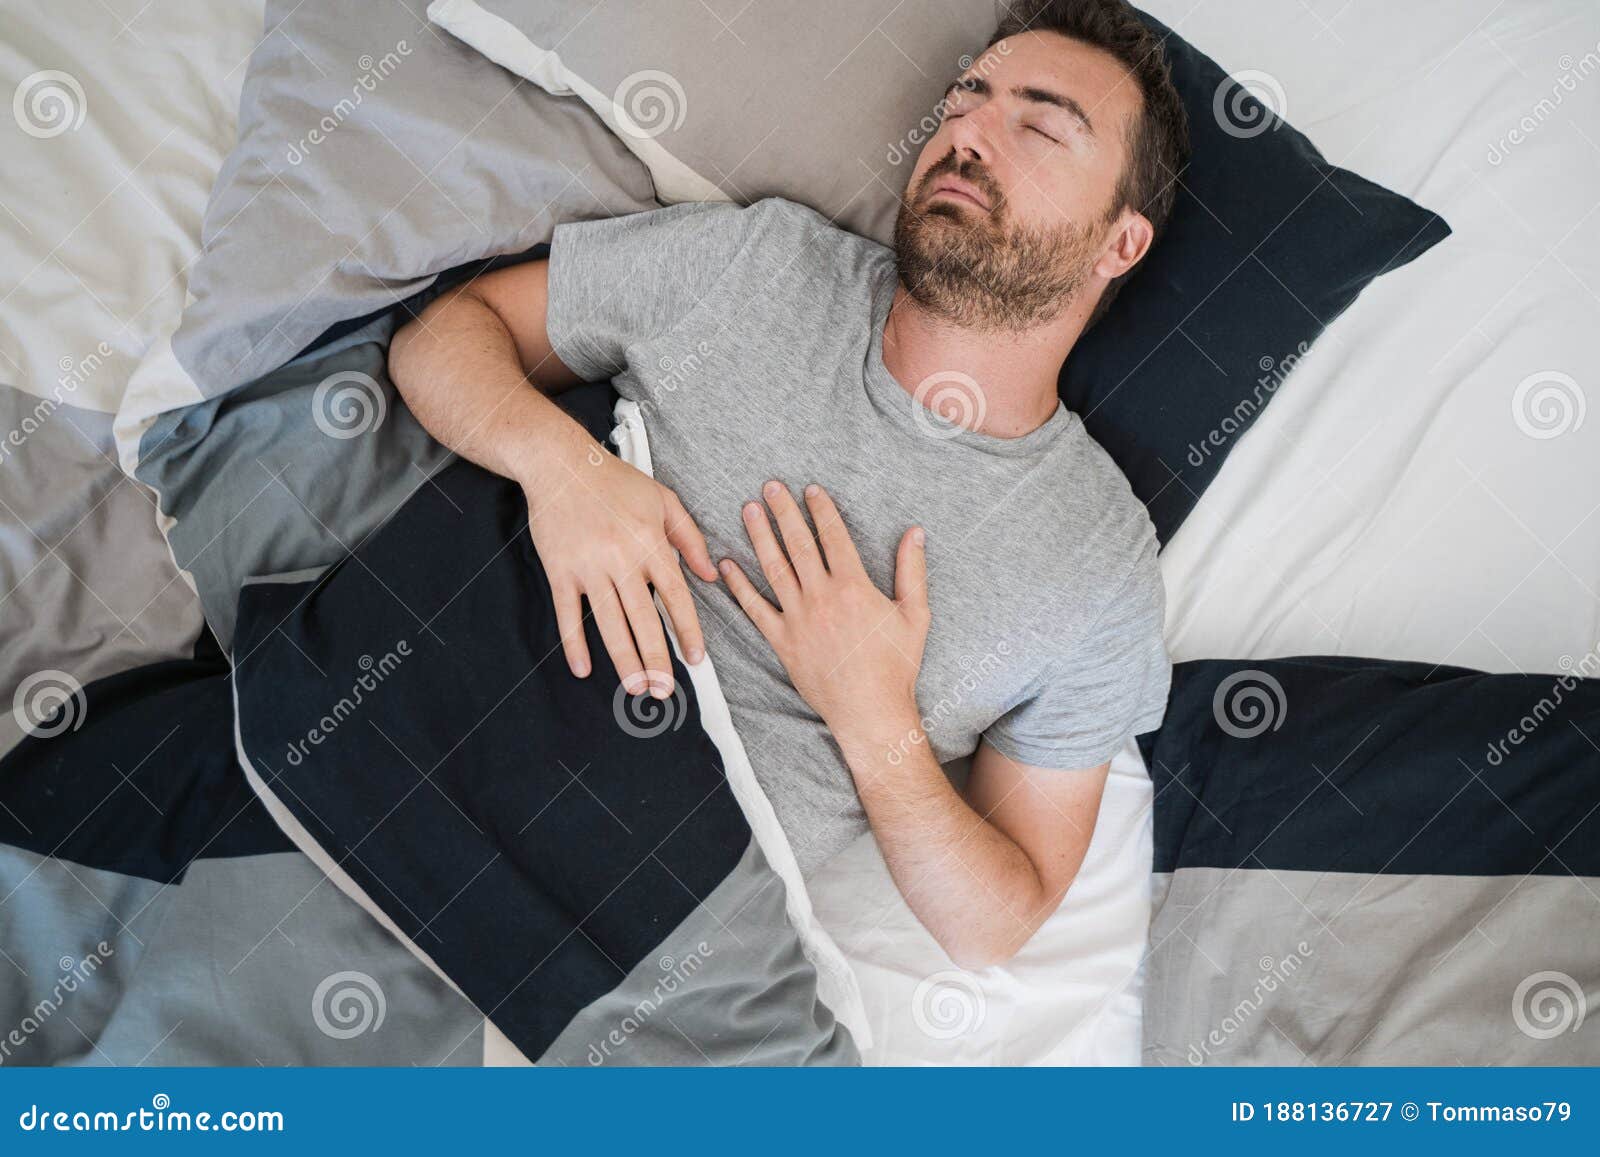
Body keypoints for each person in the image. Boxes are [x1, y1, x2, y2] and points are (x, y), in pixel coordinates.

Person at [390, 0, 1188, 968]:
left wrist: (874, 717)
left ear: (1120, 244)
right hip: (430, 742)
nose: (969, 133)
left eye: (1038, 125)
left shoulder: (1098, 564)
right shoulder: (758, 263)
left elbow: (995, 920)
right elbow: (442, 340)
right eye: (963, 99)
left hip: (636, 942)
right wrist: (564, 470)